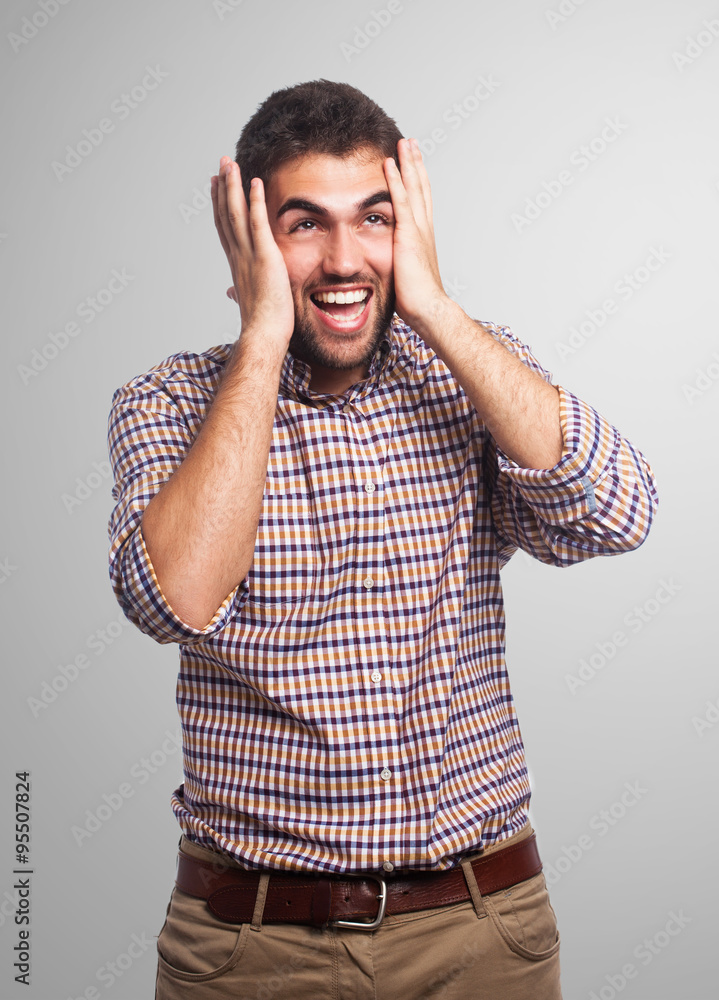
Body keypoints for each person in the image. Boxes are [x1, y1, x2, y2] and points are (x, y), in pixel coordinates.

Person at [107, 80, 658, 1000]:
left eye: (373, 218)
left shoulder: (467, 375)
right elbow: (175, 600)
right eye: (304, 224)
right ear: (248, 240)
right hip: (249, 947)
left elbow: (617, 511)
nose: (343, 259)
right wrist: (259, 336)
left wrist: (436, 307)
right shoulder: (167, 404)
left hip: (480, 930)